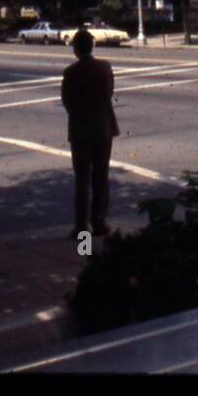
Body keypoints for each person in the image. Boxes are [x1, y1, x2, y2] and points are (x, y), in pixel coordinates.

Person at [61, 27, 120, 239]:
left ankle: (81, 227)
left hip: (80, 131)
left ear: (76, 49)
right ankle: (100, 222)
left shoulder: (71, 72)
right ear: (92, 46)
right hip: (103, 128)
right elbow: (109, 91)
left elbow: (67, 101)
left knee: (82, 181)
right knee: (101, 178)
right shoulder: (105, 67)